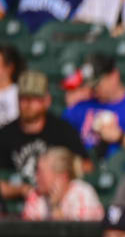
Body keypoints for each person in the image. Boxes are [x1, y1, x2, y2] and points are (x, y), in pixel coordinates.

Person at [1, 72, 88, 202]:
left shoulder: (62, 130)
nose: (28, 104)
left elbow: (86, 165)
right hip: (17, 207)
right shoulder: (6, 135)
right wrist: (20, 190)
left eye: (34, 98)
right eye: (23, 98)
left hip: (58, 200)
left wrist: (60, 180)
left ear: (46, 101)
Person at [64, 55, 125, 159]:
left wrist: (121, 137)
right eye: (90, 86)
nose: (93, 90)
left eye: (97, 85)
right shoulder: (80, 108)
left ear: (114, 76)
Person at [22, 147, 102, 222]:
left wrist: (56, 207)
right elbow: (26, 232)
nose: (36, 177)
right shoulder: (35, 194)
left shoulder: (83, 193)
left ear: (61, 176)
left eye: (41, 172)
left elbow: (81, 234)